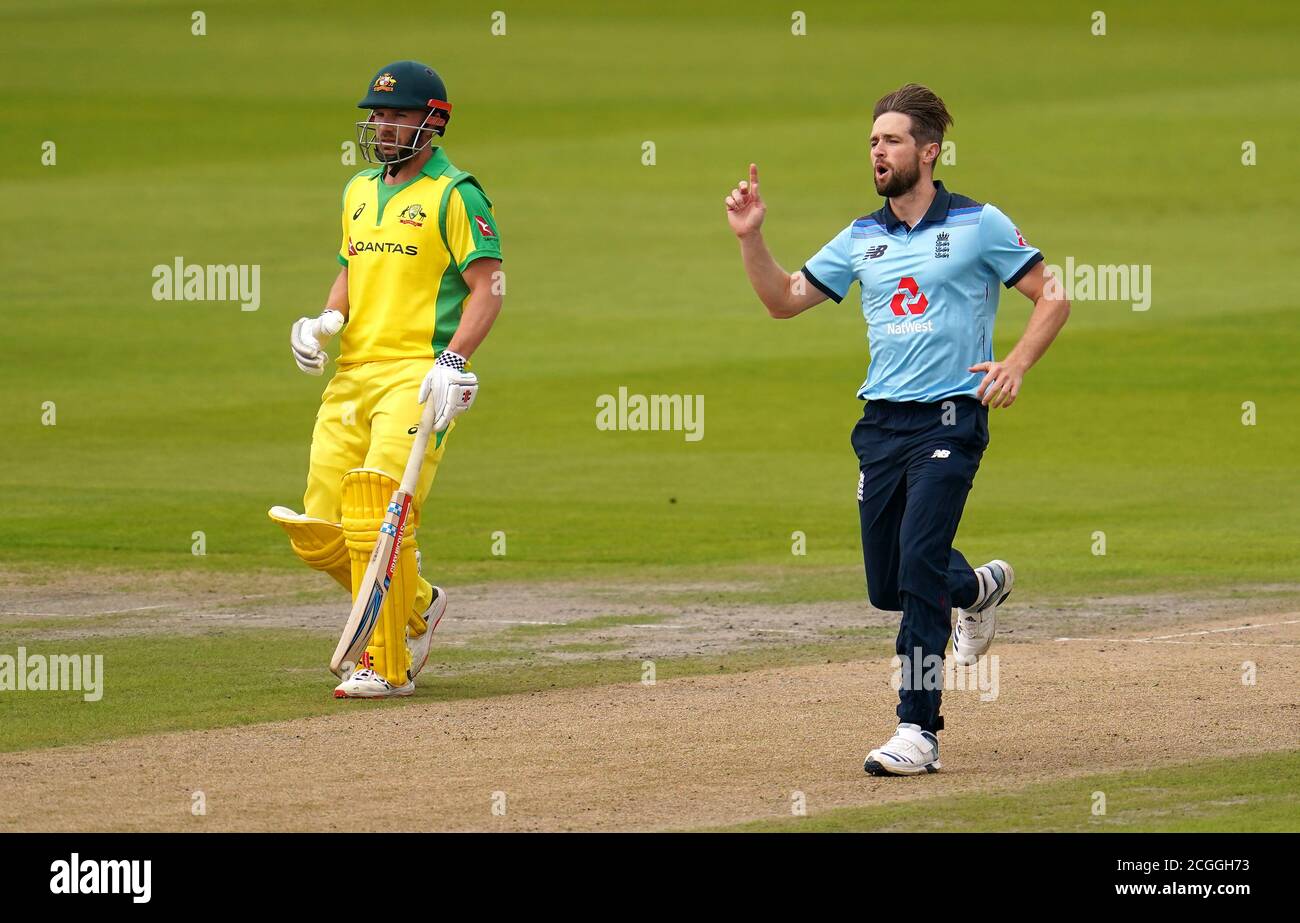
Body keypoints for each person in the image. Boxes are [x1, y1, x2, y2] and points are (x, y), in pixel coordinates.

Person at [724, 84, 1068, 774]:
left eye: (893, 140)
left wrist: (1017, 362)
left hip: (951, 417)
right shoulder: (862, 237)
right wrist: (753, 238)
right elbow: (784, 300)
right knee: (889, 583)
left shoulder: (978, 223)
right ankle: (974, 587)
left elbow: (1051, 293)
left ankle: (918, 729)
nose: (879, 151)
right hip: (880, 423)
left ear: (929, 151)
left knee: (916, 569)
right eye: (874, 141)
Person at [270, 60, 504, 699]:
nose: (383, 125)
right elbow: (352, 266)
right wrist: (325, 318)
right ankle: (418, 604)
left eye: (398, 114)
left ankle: (386, 661)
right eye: (377, 114)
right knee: (319, 533)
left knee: (379, 512)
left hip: (417, 375)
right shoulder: (357, 189)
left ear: (433, 121)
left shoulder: (456, 193)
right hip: (352, 374)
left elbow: (490, 288)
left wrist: (453, 360)